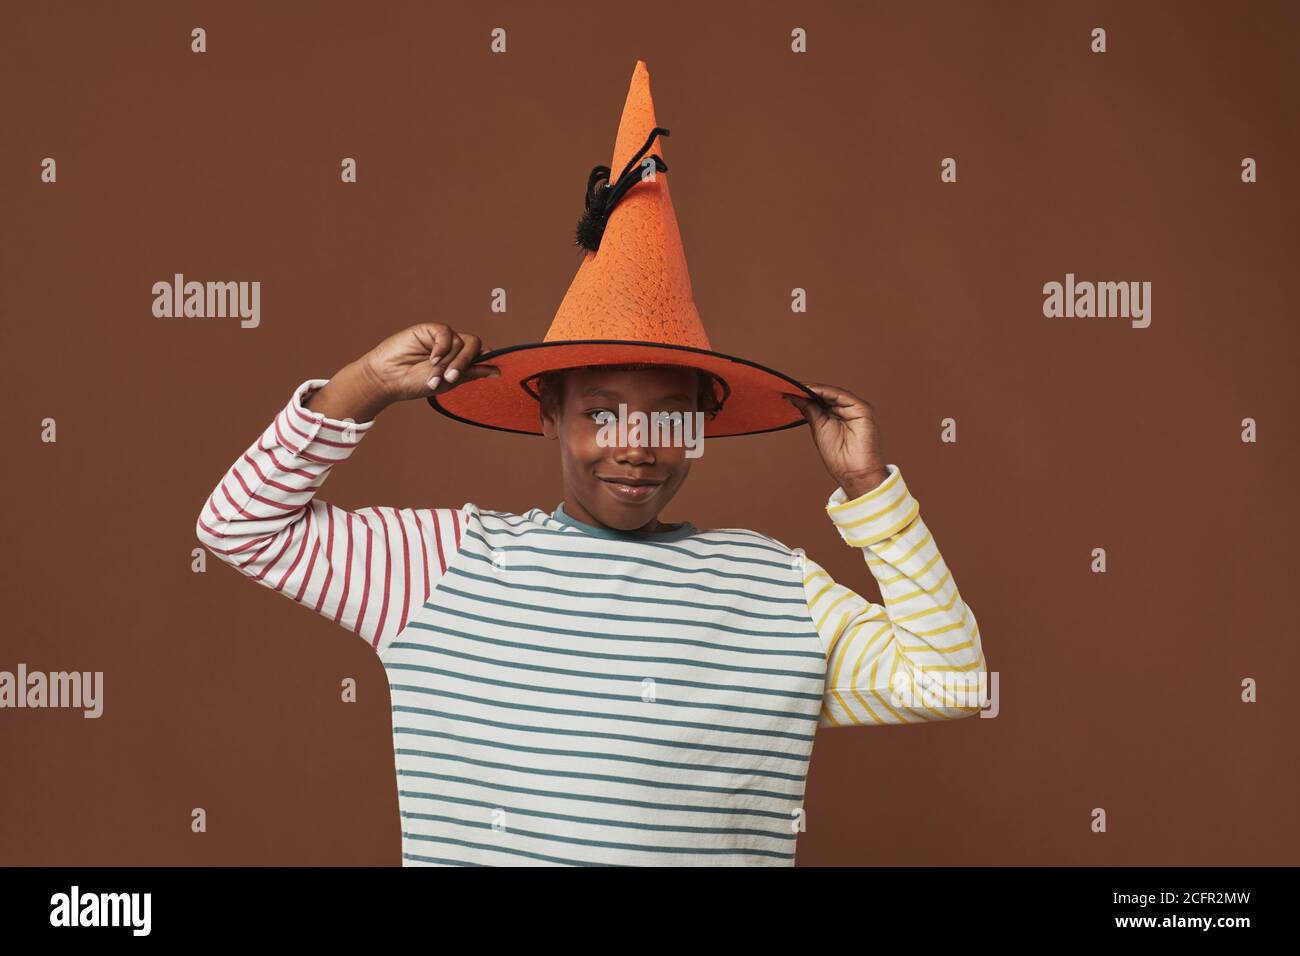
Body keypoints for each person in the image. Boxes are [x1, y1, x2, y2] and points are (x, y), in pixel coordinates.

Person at [195, 60, 987, 866]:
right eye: (601, 413)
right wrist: (360, 386)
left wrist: (868, 490)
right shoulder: (441, 569)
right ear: (548, 415)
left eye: (668, 415)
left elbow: (949, 681)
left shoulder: (775, 590)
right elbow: (239, 528)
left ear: (702, 426)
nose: (637, 445)